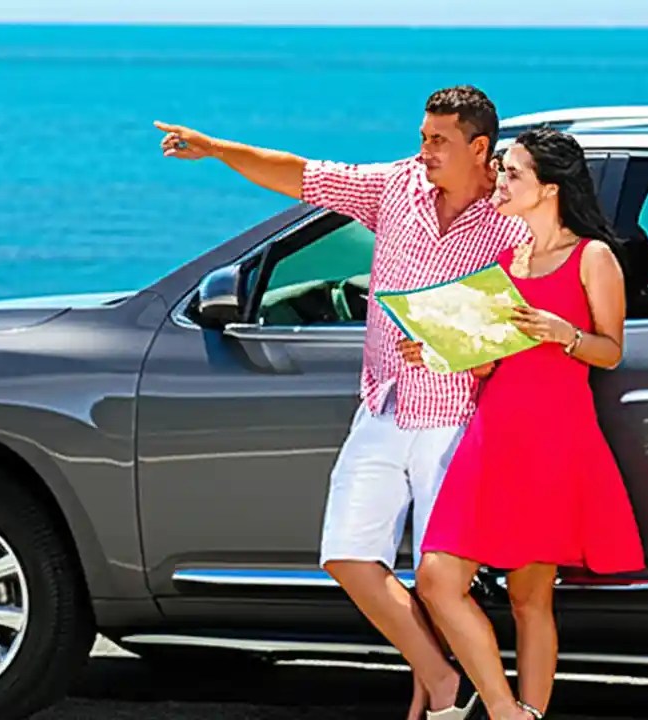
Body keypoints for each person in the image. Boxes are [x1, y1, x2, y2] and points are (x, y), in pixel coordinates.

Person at [155, 85, 531, 720]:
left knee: (446, 585)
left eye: (438, 140)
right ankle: (441, 679)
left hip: (460, 418)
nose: (425, 150)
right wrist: (217, 150)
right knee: (348, 555)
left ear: (479, 147)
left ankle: (484, 705)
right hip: (383, 406)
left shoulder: (511, 213)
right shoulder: (396, 187)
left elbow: (525, 316)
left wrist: (453, 346)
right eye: (422, 136)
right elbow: (301, 175)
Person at [407, 127, 646, 720]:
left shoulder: (593, 257)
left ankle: (528, 713)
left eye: (512, 173)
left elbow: (610, 350)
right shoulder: (503, 260)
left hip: (554, 438)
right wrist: (442, 352)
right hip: (493, 434)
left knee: (529, 596)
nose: (500, 181)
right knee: (438, 578)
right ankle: (503, 710)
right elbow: (489, 358)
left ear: (549, 188)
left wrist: (564, 335)